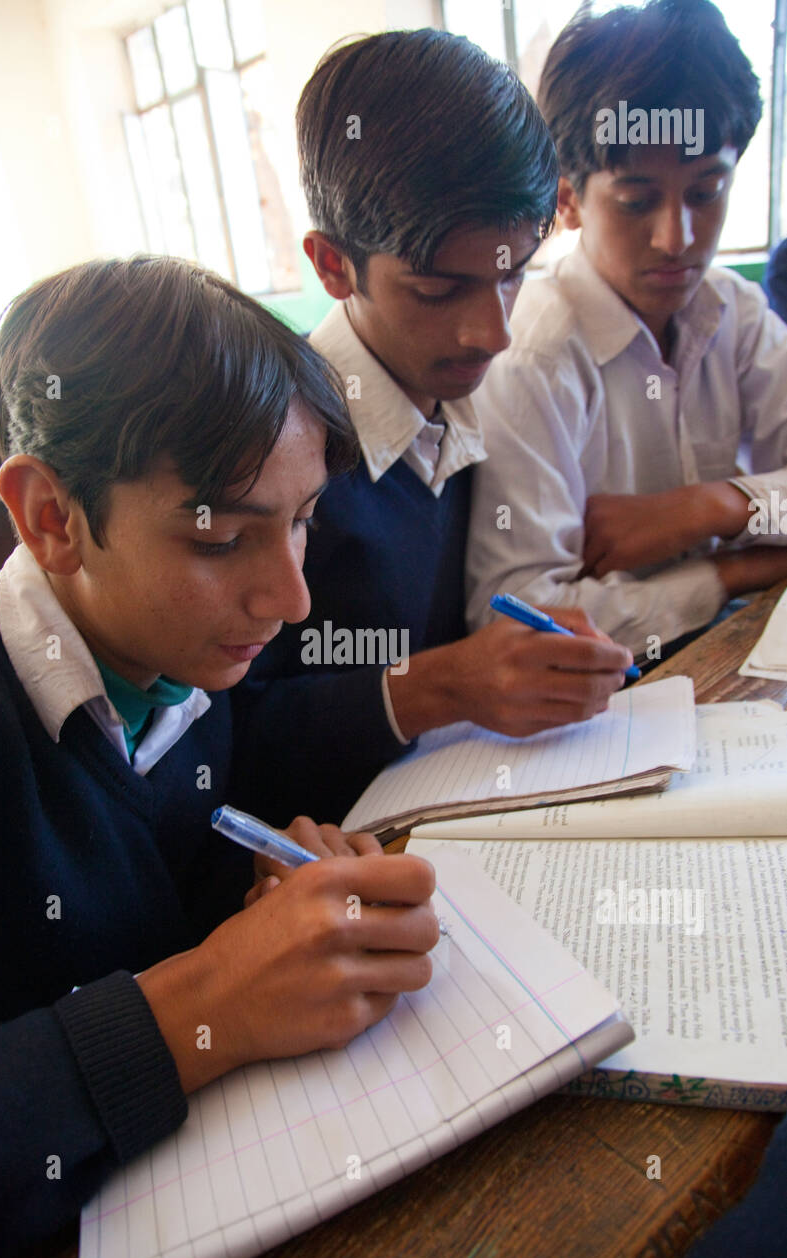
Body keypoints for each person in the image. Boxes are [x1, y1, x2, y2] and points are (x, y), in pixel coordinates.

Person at [0, 256, 439, 1258]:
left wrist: (255, 888)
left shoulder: (180, 676)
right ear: (51, 518)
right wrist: (207, 997)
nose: (290, 600)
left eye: (299, 522)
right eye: (222, 541)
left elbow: (154, 897)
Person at [229, 28, 634, 828]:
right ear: (332, 265)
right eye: (439, 289)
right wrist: (438, 685)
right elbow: (216, 745)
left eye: (512, 275)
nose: (492, 332)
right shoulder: (267, 455)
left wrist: (537, 648)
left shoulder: (478, 403)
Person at [466, 0, 787, 661]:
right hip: (608, 705)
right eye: (637, 201)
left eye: (706, 191)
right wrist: (726, 571)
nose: (678, 239)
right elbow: (520, 619)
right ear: (567, 199)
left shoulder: (735, 310)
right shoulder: (534, 354)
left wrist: (712, 507)